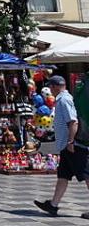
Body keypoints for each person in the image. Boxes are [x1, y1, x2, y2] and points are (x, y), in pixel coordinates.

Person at [35, 75, 89, 217]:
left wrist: (71, 142)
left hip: (72, 146)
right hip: (65, 146)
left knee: (86, 175)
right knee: (63, 176)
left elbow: (73, 122)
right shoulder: (62, 100)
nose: (50, 91)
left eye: (51, 87)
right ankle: (53, 205)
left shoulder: (64, 100)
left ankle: (53, 204)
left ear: (55, 86)